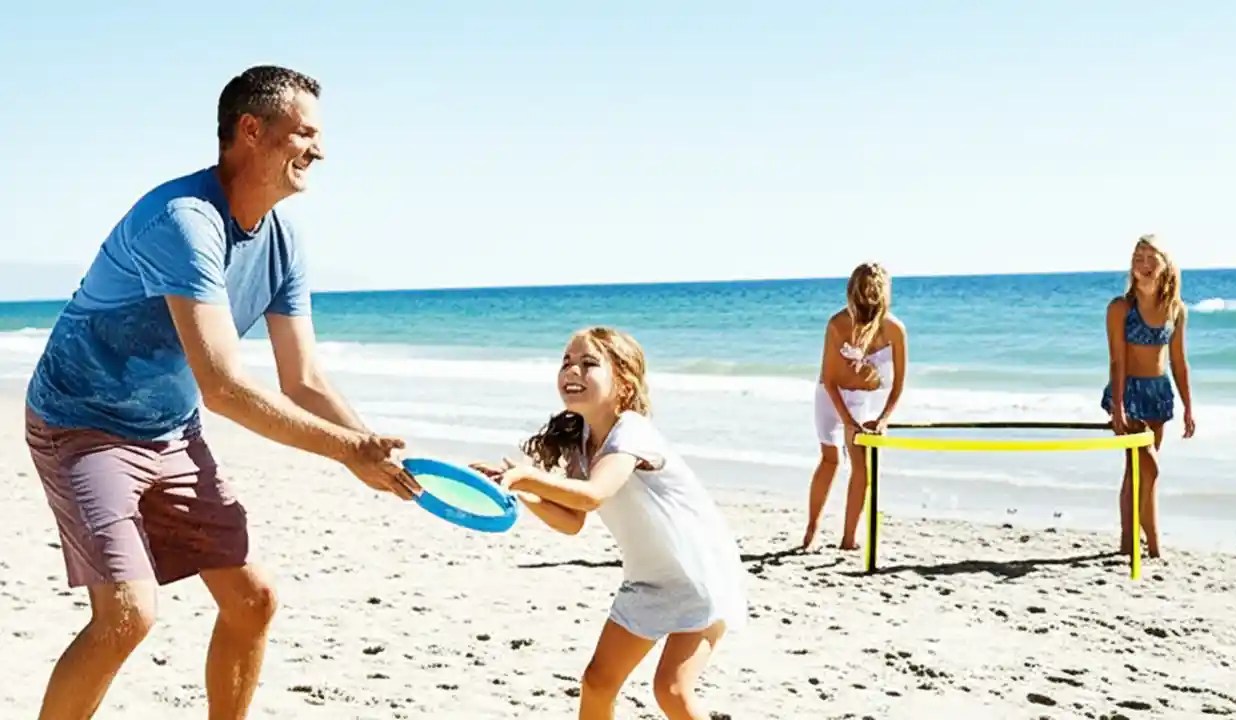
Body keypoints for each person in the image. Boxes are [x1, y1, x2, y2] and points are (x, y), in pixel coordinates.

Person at [23, 65, 422, 720]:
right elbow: (225, 386)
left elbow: (305, 380)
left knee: (253, 600)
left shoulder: (283, 240)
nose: (320, 150)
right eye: (306, 133)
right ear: (251, 130)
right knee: (127, 616)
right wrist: (347, 449)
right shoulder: (185, 222)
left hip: (170, 431)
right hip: (82, 424)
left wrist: (370, 451)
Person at [471, 326, 747, 720]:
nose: (572, 371)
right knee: (597, 683)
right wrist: (518, 491)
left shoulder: (631, 432)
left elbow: (594, 494)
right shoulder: (579, 439)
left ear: (623, 383)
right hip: (647, 580)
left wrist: (526, 476)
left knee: (671, 691)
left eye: (588, 364)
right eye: (566, 361)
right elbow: (573, 520)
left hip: (699, 576)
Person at [802, 262, 908, 551]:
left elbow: (898, 384)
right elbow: (830, 379)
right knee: (831, 458)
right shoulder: (837, 324)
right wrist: (847, 420)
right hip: (830, 396)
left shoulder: (895, 330)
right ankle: (812, 528)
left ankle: (848, 539)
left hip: (865, 401)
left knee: (862, 466)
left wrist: (884, 418)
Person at [1102, 234, 1195, 559]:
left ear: (1164, 264)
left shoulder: (1175, 309)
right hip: (1129, 393)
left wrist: (1188, 407)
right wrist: (1118, 406)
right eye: (1137, 258)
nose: (1142, 265)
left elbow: (1179, 362)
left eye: (1149, 258)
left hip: (1159, 394)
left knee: (1138, 471)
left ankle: (1130, 544)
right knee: (1149, 468)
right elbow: (1117, 360)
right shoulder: (1120, 308)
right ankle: (1153, 547)